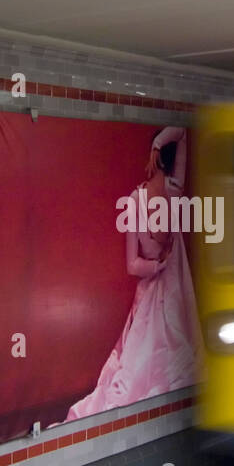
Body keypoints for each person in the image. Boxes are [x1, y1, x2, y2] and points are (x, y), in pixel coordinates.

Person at [64, 126, 202, 421]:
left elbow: (133, 265)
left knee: (141, 370)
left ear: (151, 157)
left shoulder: (136, 201)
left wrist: (156, 265)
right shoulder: (174, 191)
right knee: (174, 364)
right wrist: (159, 142)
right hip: (171, 298)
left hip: (158, 299)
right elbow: (181, 134)